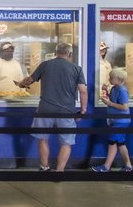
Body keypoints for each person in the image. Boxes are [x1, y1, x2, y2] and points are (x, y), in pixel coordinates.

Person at [17, 42, 87, 172]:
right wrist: (82, 110)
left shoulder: (45, 65)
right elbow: (83, 91)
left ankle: (44, 167)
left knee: (43, 138)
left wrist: (21, 84)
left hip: (45, 109)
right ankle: (59, 171)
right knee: (66, 143)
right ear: (70, 54)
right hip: (67, 111)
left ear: (55, 53)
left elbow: (29, 81)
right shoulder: (76, 69)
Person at [91, 67, 133, 172]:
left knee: (112, 142)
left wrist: (109, 103)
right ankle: (128, 166)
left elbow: (124, 107)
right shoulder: (114, 88)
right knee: (120, 143)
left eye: (111, 77)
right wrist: (105, 91)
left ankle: (106, 166)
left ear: (119, 79)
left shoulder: (122, 90)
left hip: (120, 121)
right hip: (116, 120)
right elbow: (114, 100)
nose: (109, 78)